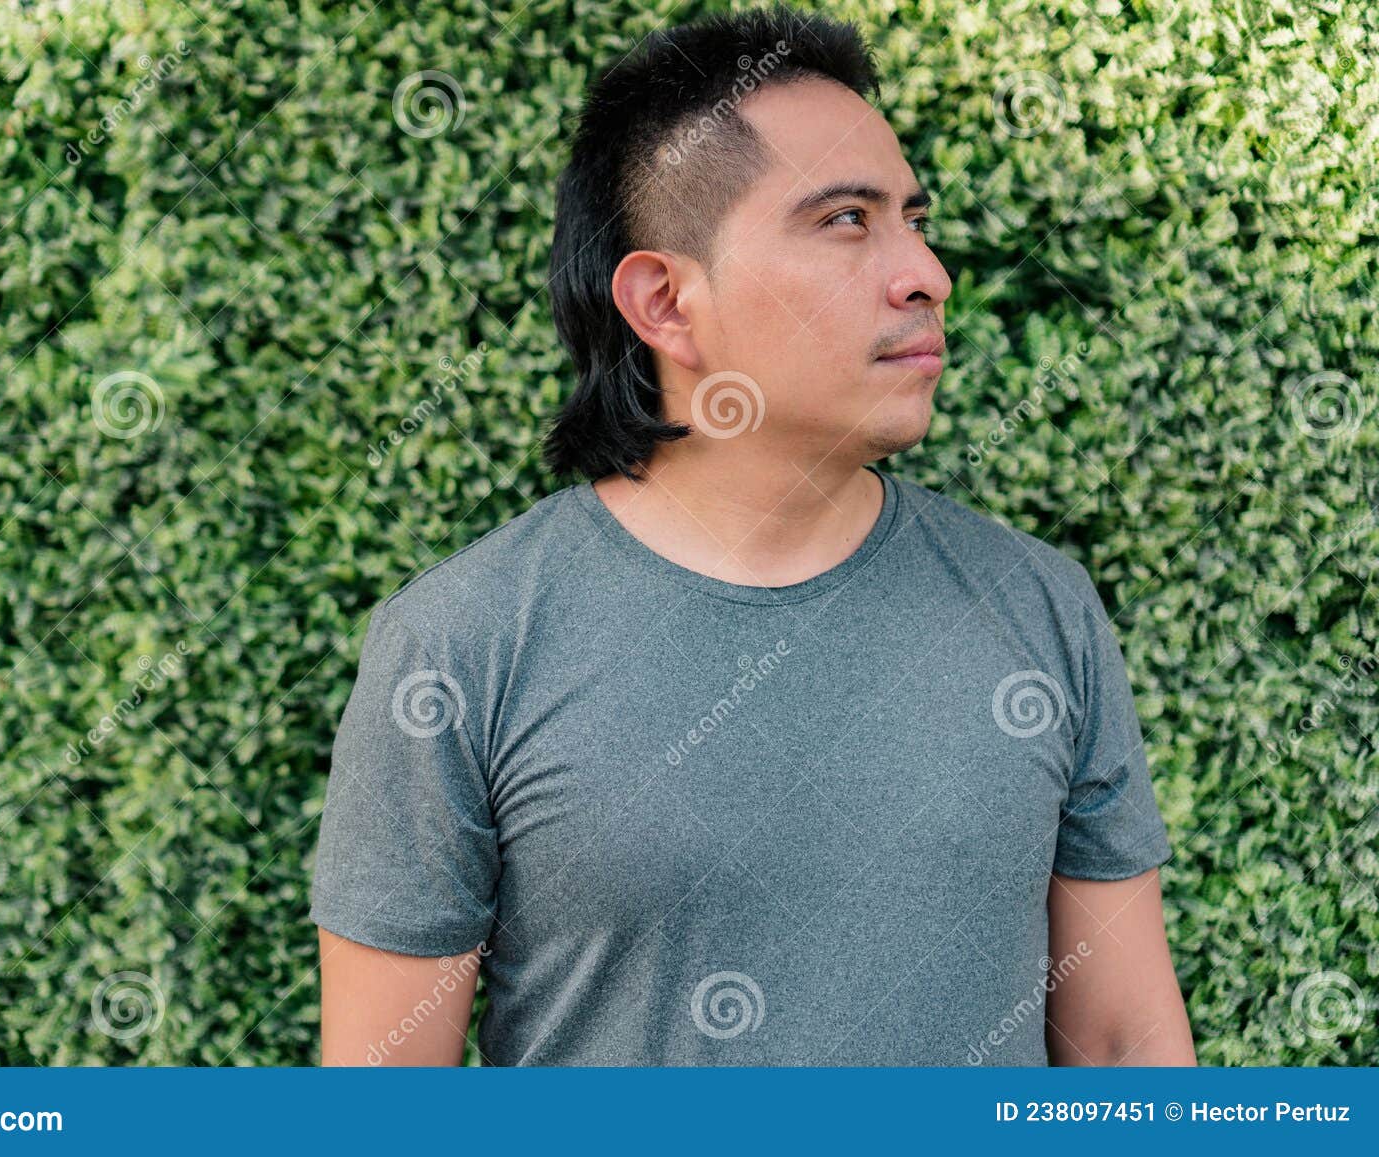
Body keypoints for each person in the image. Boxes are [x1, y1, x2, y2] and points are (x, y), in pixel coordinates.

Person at [311, 3, 1195, 1066]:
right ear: (666, 302)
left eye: (912, 218)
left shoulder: (1038, 607)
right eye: (845, 220)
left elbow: (1119, 1049)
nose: (925, 272)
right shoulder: (460, 645)